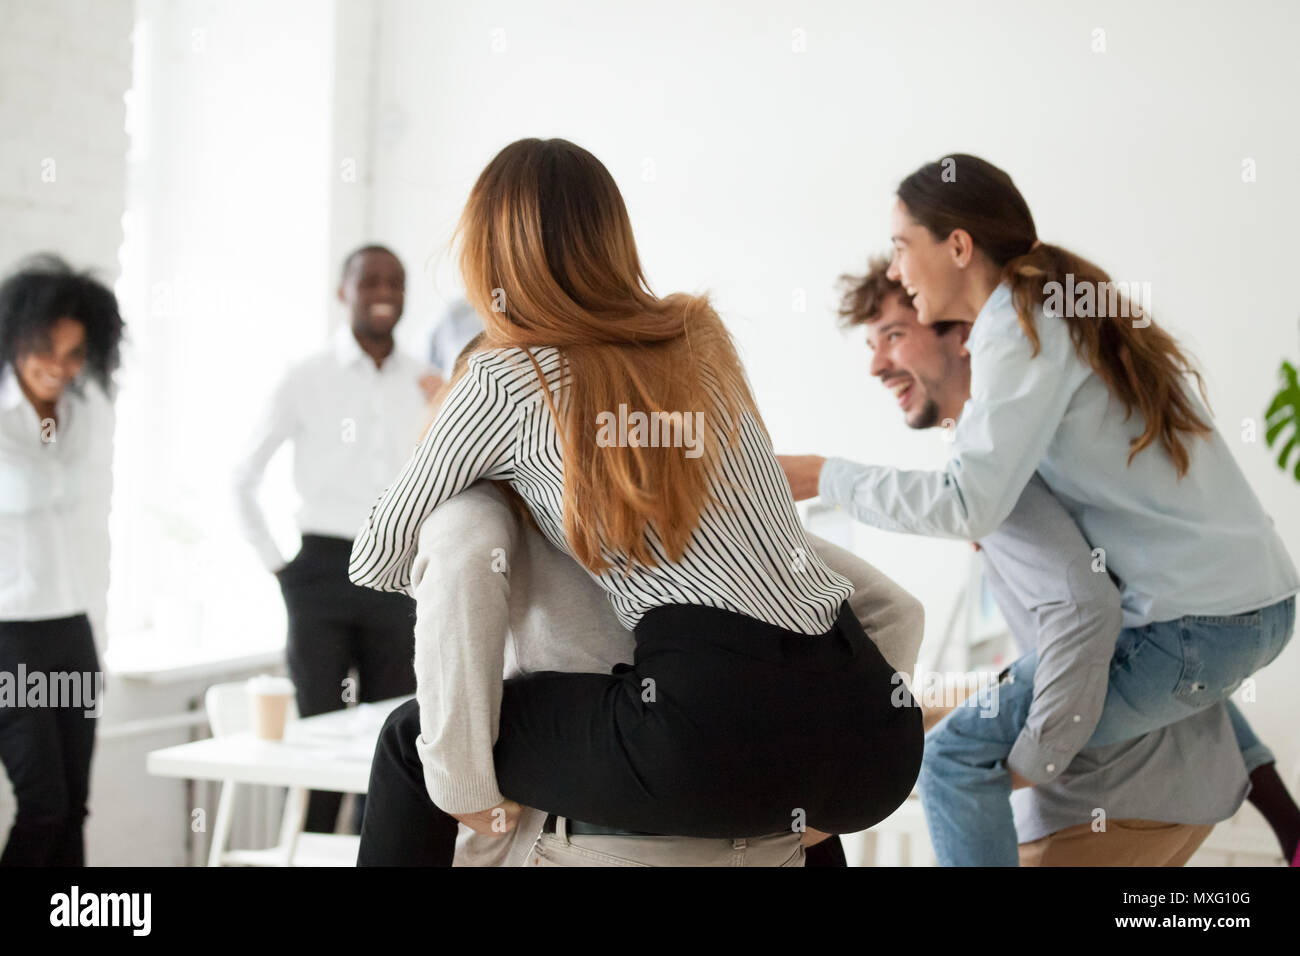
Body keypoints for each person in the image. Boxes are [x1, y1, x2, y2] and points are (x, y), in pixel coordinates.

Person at [349, 138, 923, 865]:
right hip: (871, 735)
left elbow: (377, 555)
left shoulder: (504, 377)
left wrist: (487, 476)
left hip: (703, 728)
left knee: (409, 742)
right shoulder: (698, 339)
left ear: (488, 255)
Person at [778, 160, 1298, 866]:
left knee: (956, 761)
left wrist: (821, 475)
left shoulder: (1014, 335)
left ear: (958, 248)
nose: (901, 269)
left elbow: (997, 530)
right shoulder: (1054, 324)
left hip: (1180, 680)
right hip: (1251, 607)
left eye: (904, 245)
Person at [231, 244, 435, 834]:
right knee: (317, 736)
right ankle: (311, 845)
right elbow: (241, 477)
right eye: (369, 280)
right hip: (319, 572)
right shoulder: (305, 376)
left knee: (394, 732)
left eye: (395, 281)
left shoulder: (428, 383)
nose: (384, 291)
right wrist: (280, 568)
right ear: (341, 290)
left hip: (398, 571)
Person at [0, 254, 123, 866]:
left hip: (72, 627)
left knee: (74, 806)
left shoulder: (80, 414)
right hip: (10, 634)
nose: (59, 366)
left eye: (76, 354)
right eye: (48, 347)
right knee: (42, 802)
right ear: (17, 335)